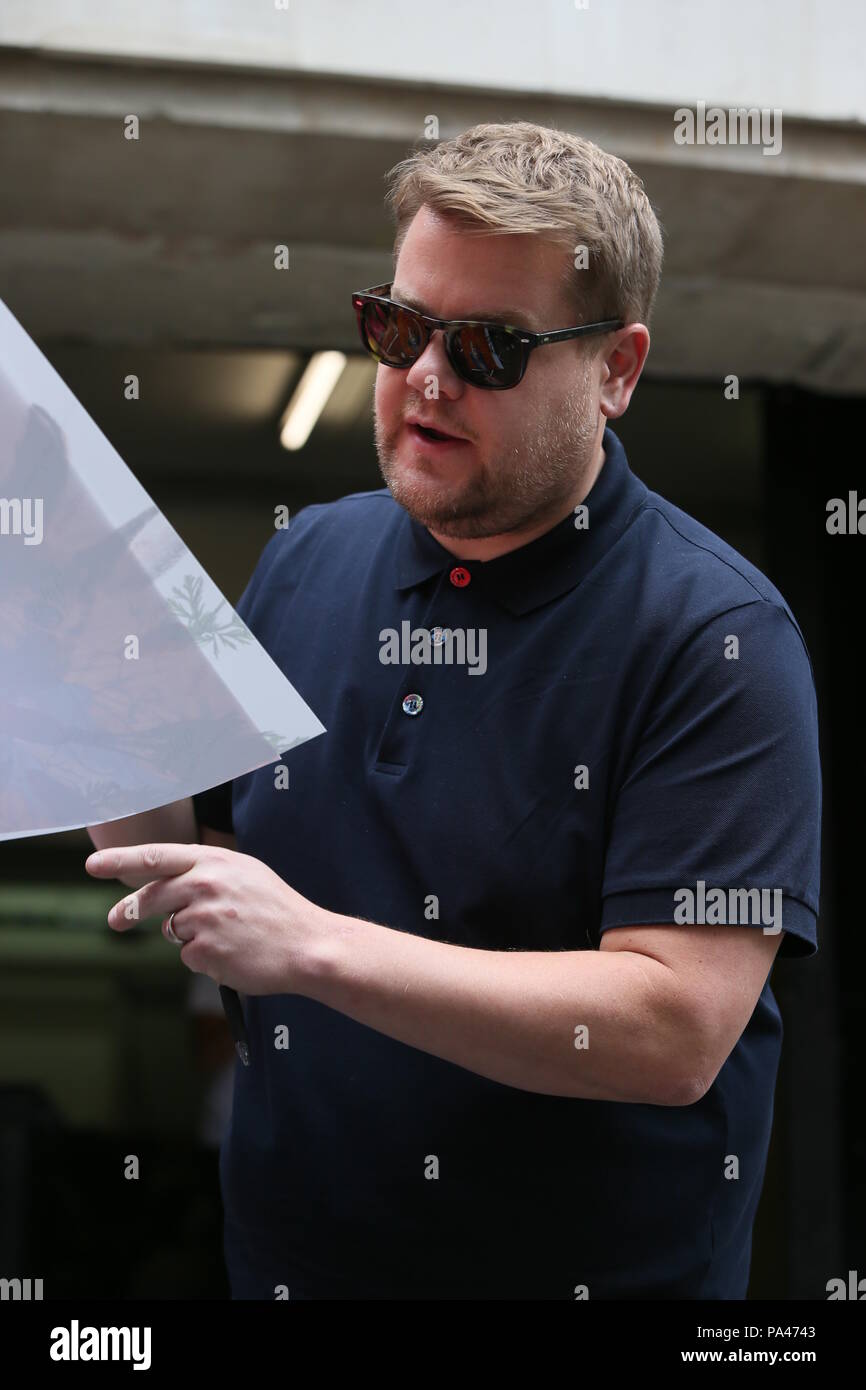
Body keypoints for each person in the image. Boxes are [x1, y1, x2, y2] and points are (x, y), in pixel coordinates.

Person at [87, 121, 821, 1300]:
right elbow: (205, 862)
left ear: (616, 370)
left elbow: (673, 1024)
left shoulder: (712, 636)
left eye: (487, 347)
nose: (426, 376)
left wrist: (317, 949)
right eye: (397, 327)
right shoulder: (305, 560)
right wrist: (110, 729)